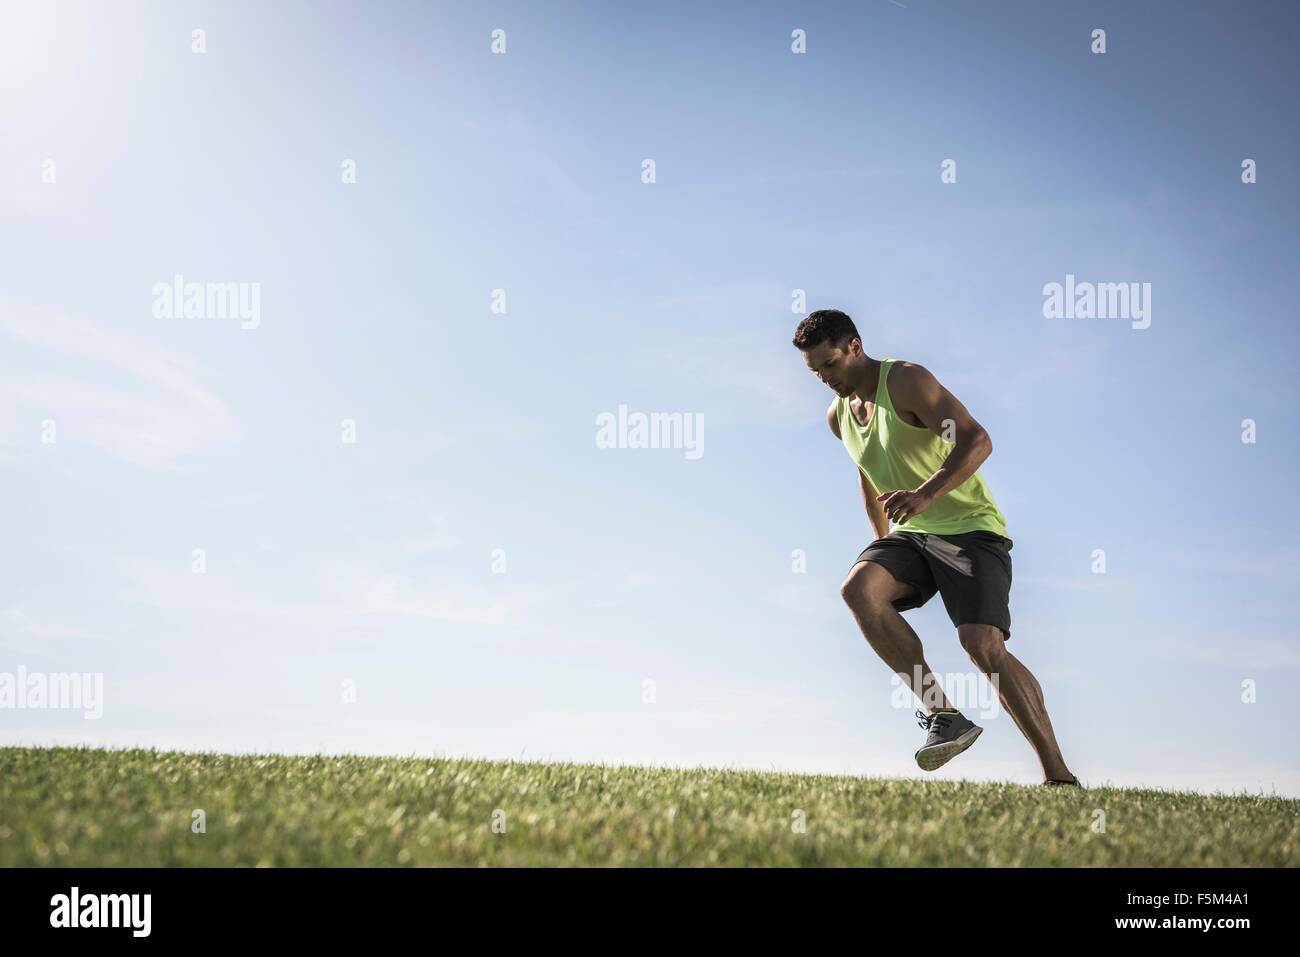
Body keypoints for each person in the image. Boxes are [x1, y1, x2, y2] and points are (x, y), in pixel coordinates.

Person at [793, 309, 1079, 786]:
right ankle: (943, 715)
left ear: (854, 347)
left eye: (830, 364)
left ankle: (1058, 774)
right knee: (859, 590)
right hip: (913, 535)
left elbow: (977, 440)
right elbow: (868, 474)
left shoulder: (906, 382)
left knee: (983, 647)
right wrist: (882, 543)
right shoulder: (838, 417)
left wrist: (925, 494)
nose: (824, 377)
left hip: (970, 529)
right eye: (815, 371)